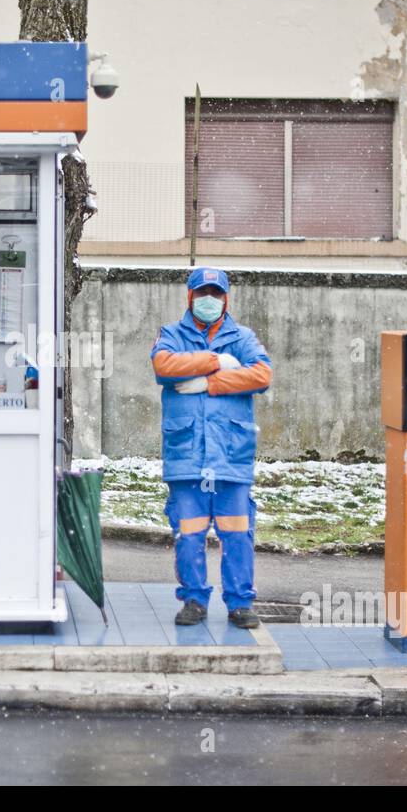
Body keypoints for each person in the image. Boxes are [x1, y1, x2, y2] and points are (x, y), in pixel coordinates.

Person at [150, 267, 272, 628]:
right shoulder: (172, 334)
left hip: (231, 457)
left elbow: (261, 375)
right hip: (187, 457)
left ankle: (239, 604)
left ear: (226, 298)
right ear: (190, 297)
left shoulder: (242, 336)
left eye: (216, 294)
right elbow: (163, 365)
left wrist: (207, 385)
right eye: (202, 293)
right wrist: (216, 362)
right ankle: (193, 600)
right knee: (189, 535)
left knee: (237, 534)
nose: (209, 300)